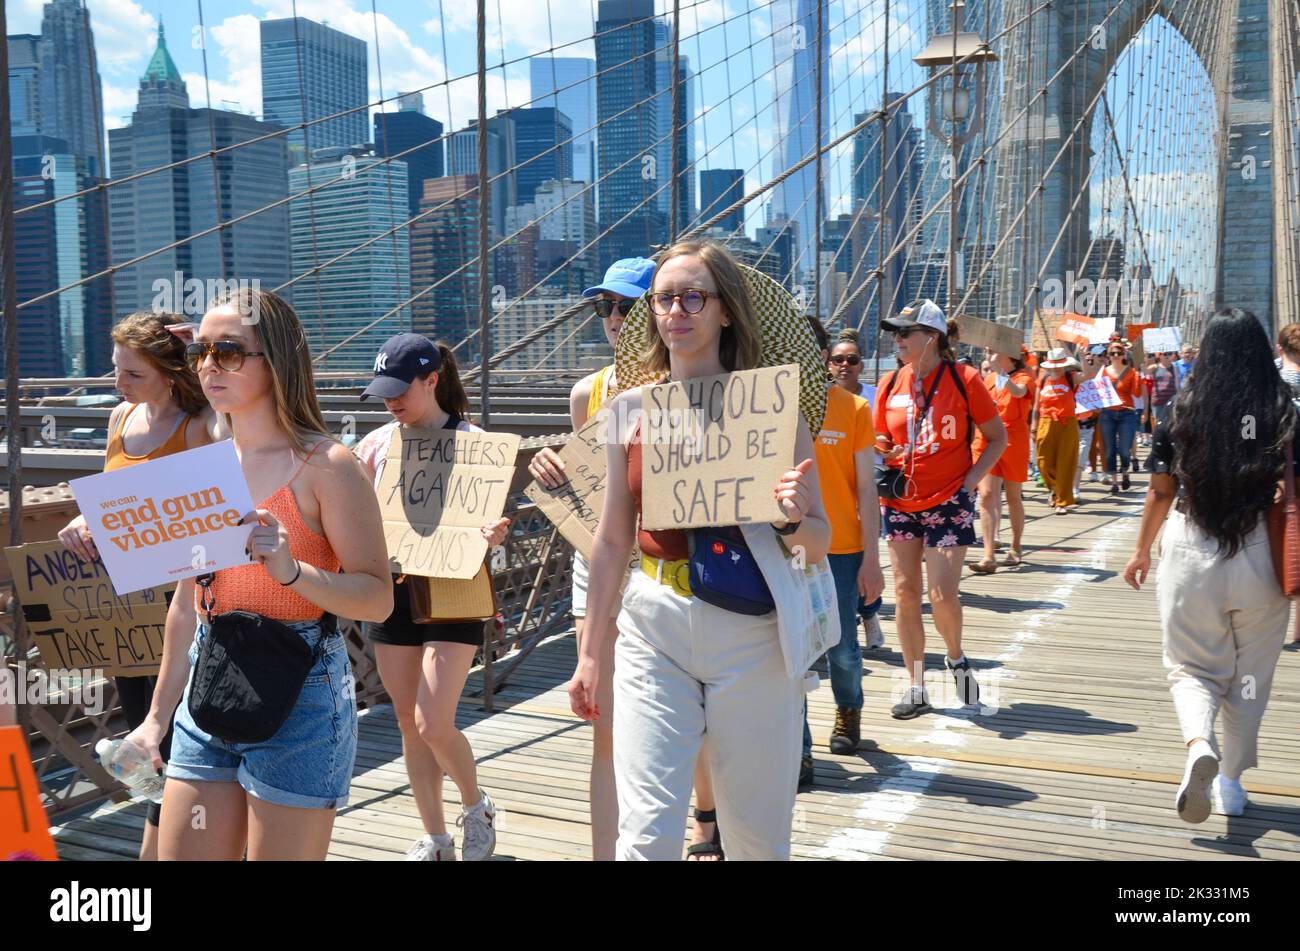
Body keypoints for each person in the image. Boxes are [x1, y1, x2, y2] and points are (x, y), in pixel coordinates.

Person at [567, 240, 830, 860]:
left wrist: (793, 521)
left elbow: (818, 540)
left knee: (757, 837)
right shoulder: (626, 412)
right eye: (664, 299)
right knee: (647, 833)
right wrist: (587, 655)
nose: (676, 310)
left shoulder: (771, 410)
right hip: (652, 620)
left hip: (754, 631)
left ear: (726, 312)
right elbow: (610, 538)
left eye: (694, 297)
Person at [127, 289, 394, 861]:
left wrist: (290, 570)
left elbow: (377, 599)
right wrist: (155, 719)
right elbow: (184, 605)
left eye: (227, 351)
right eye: (201, 351)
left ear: (276, 360)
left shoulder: (327, 465)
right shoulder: (202, 466)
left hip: (300, 692)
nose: (207, 366)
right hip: (211, 676)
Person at [58, 311, 225, 861]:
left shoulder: (201, 426)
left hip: (188, 609)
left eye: (134, 374)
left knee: (187, 754)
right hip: (128, 614)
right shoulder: (118, 418)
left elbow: (220, 506)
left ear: (172, 373)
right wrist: (87, 519)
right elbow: (114, 502)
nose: (119, 384)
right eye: (116, 370)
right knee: (146, 751)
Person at [1123, 308, 1294, 822]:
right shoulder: (1283, 410)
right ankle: (1232, 783)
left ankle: (1199, 743)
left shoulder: (1181, 409)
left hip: (1190, 547)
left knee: (1191, 667)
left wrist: (1139, 550)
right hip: (1260, 550)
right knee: (1249, 679)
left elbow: (1159, 491)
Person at [354, 334, 512, 862]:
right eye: (383, 392)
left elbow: (485, 520)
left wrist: (494, 533)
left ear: (432, 381)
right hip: (394, 590)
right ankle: (437, 838)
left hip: (454, 589)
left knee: (432, 720)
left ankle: (475, 804)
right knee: (406, 721)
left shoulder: (474, 442)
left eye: (401, 390)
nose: (391, 401)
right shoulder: (376, 445)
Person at [874, 300, 1006, 719]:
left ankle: (955, 658)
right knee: (905, 592)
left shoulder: (965, 379)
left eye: (905, 332)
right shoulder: (889, 383)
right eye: (895, 332)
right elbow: (879, 440)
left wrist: (971, 481)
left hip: (948, 499)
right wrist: (886, 450)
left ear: (931, 338)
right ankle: (915, 686)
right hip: (900, 501)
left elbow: (996, 437)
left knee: (943, 595)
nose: (897, 339)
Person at [800, 320, 885, 782]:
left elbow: (867, 491)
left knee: (842, 649)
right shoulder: (771, 405)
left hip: (841, 547)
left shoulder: (852, 407)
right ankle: (800, 749)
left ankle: (848, 709)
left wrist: (872, 560)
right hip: (785, 546)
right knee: (791, 654)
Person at [970, 346, 1035, 573]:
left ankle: (1015, 546)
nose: (990, 352)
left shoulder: (1025, 376)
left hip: (1013, 440)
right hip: (986, 439)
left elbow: (1018, 392)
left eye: (994, 349)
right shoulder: (988, 377)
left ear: (1011, 355)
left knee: (1013, 495)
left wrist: (1000, 373)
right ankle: (988, 555)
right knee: (986, 494)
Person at [1033, 348, 1081, 514]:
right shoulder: (1043, 378)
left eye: (1060, 365)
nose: (1057, 369)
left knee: (1066, 462)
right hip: (1046, 422)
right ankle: (1054, 487)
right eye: (1054, 366)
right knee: (1043, 462)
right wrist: (1034, 424)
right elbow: (1036, 404)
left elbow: (1089, 374)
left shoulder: (1071, 377)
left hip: (1067, 422)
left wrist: (1081, 354)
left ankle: (1061, 501)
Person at [1098, 339, 1142, 494]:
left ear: (1124, 354)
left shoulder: (1131, 372)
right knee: (1109, 450)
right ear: (1108, 355)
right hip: (1107, 414)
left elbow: (1137, 393)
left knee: (1124, 449)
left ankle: (1125, 472)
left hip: (1127, 413)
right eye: (1112, 353)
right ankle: (1115, 482)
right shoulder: (1102, 372)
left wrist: (1139, 377)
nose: (1115, 355)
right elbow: (1096, 392)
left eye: (1119, 353)